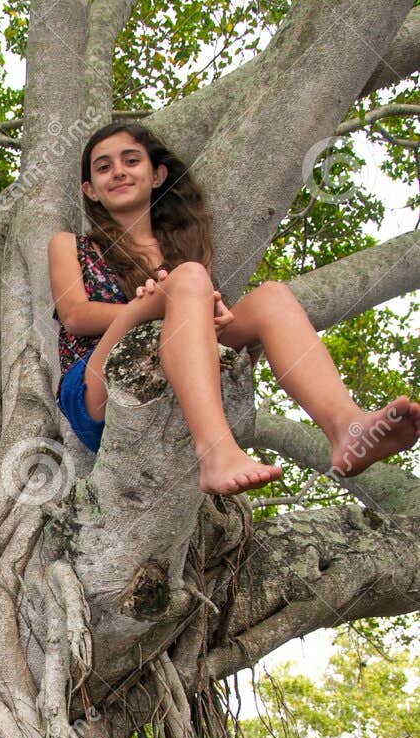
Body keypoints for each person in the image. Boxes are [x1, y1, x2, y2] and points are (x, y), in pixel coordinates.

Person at [48, 122, 420, 496]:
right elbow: (75, 315)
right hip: (94, 388)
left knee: (272, 296)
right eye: (104, 167)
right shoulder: (71, 245)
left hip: (171, 380)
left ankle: (345, 426)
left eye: (131, 161)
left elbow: (205, 330)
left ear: (157, 175)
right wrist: (153, 306)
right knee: (189, 278)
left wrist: (207, 316)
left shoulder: (184, 249)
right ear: (90, 190)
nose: (118, 172)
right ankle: (216, 451)